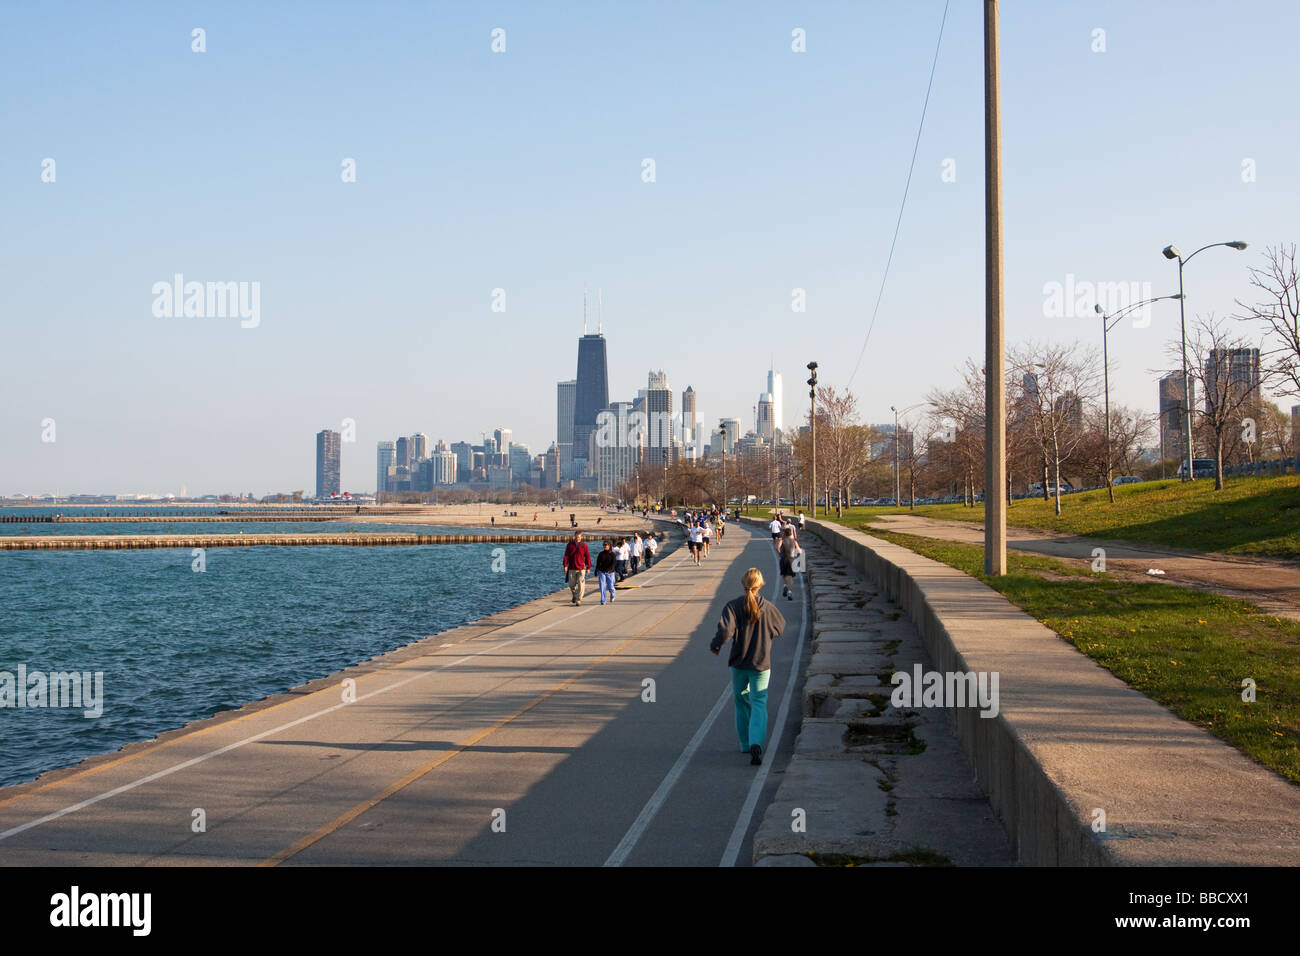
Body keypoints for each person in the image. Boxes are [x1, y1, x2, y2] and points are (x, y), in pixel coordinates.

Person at [711, 568, 787, 765]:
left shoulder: (733, 606)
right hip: (761, 663)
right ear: (761, 584)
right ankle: (756, 743)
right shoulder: (768, 608)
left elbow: (726, 631)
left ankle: (745, 744)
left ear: (743, 583)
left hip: (739, 662)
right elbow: (780, 628)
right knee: (759, 702)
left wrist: (716, 645)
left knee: (741, 702)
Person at [562, 531, 591, 606]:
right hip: (571, 567)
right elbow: (566, 555)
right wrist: (565, 565)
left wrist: (588, 567)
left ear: (581, 537)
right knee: (571, 584)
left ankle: (579, 600)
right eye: (576, 536)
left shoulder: (584, 545)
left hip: (581, 568)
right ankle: (574, 595)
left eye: (579, 537)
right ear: (574, 536)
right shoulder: (570, 545)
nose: (578, 538)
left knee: (581, 584)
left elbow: (587, 556)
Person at [777, 526, 802, 600]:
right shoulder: (794, 541)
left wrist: (780, 553)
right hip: (791, 560)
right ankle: (790, 592)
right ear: (791, 533)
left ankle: (785, 586)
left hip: (783, 559)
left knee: (783, 574)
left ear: (784, 533)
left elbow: (777, 548)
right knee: (790, 577)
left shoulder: (782, 540)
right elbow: (799, 551)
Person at [595, 539, 617, 604]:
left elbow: (614, 563)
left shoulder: (612, 554)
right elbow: (598, 563)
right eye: (603, 545)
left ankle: (612, 594)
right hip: (602, 571)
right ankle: (603, 600)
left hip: (610, 572)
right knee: (602, 586)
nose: (604, 546)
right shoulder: (601, 554)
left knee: (610, 586)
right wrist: (596, 571)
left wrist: (610, 569)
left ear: (609, 545)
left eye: (606, 545)